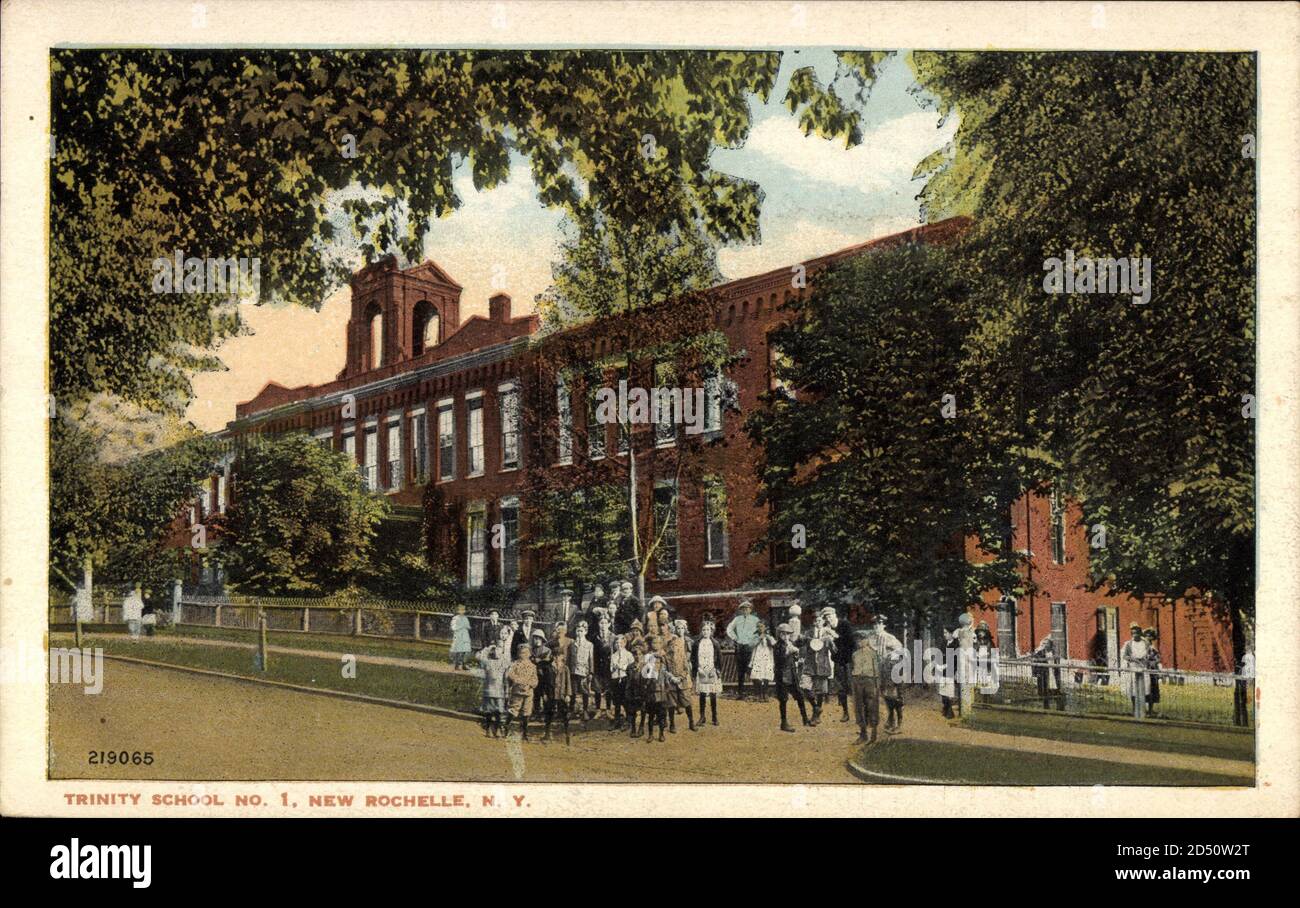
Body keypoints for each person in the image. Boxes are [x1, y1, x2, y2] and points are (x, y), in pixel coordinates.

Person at [774, 622, 810, 732]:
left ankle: (805, 719)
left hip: (792, 674)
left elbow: (794, 658)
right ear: (779, 635)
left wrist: (795, 653)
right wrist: (789, 651)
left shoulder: (789, 644)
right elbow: (780, 660)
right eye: (783, 634)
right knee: (783, 699)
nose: (786, 636)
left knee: (799, 696)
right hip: (782, 676)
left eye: (788, 634)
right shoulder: (777, 646)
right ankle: (784, 723)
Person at [664, 620, 697, 733]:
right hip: (671, 681)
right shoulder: (666, 656)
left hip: (682, 681)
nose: (674, 647)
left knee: (686, 701)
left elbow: (686, 668)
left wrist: (681, 677)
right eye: (671, 645)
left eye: (676, 645)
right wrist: (671, 677)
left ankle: (691, 722)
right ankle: (672, 724)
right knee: (671, 704)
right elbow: (664, 668)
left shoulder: (682, 655)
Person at [850, 628, 882, 744]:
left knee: (872, 705)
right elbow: (853, 668)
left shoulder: (873, 653)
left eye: (862, 639)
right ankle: (863, 733)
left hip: (870, 681)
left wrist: (877, 685)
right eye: (857, 640)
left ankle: (874, 733)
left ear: (867, 640)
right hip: (857, 681)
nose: (859, 642)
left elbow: (877, 670)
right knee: (859, 706)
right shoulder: (855, 654)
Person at [725, 599, 762, 700]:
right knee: (740, 670)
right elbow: (729, 629)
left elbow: (761, 632)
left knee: (751, 669)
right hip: (740, 646)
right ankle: (740, 693)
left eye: (747, 609)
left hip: (750, 647)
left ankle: (758, 692)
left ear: (750, 610)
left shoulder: (755, 619)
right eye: (743, 609)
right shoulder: (737, 619)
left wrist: (754, 641)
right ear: (741, 610)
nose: (745, 610)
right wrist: (735, 638)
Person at [504, 643, 539, 741]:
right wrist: (518, 681)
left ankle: (524, 733)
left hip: (528, 692)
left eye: (526, 653)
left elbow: (535, 679)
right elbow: (510, 675)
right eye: (521, 653)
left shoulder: (532, 666)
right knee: (513, 710)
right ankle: (506, 728)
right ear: (518, 654)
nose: (523, 654)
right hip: (517, 691)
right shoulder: (515, 664)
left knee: (526, 712)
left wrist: (531, 684)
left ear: (529, 654)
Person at [693, 615, 724, 726]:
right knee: (702, 694)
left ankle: (714, 717)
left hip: (712, 670)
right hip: (701, 670)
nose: (706, 632)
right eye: (704, 630)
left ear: (711, 631)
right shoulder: (697, 643)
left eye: (708, 630)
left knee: (712, 694)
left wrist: (716, 670)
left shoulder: (715, 643)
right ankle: (702, 717)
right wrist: (697, 669)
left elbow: (719, 658)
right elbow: (693, 658)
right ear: (701, 631)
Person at [825, 607, 854, 722]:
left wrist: (836, 635)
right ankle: (845, 713)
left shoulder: (845, 624)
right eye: (826, 617)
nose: (828, 619)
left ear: (834, 615)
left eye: (830, 616)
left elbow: (851, 642)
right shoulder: (827, 629)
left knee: (853, 687)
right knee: (841, 688)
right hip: (838, 661)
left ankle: (861, 712)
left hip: (849, 661)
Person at [477, 643, 510, 738]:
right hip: (488, 691)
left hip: (499, 693)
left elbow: (506, 679)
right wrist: (488, 648)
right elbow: (478, 656)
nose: (496, 652)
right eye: (495, 650)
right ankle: (488, 729)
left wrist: (507, 691)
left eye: (499, 649)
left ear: (502, 652)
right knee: (488, 712)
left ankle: (498, 729)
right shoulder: (487, 662)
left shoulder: (504, 663)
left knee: (499, 712)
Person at [1120, 622, 1150, 716]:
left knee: (1144, 689)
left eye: (1136, 633)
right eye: (1133, 633)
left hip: (1143, 667)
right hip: (1133, 667)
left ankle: (1143, 710)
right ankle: (1135, 709)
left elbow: (1149, 654)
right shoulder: (1129, 644)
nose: (1135, 635)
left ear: (1140, 633)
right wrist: (1133, 659)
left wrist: (1145, 659)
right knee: (1133, 689)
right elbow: (1125, 656)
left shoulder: (1145, 643)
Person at [569, 620, 594, 721]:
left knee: (584, 691)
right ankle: (571, 710)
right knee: (573, 691)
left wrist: (591, 672)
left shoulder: (589, 645)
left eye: (581, 631)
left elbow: (591, 659)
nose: (579, 633)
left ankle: (585, 710)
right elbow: (570, 658)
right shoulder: (572, 644)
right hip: (574, 670)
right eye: (578, 631)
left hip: (584, 671)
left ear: (585, 632)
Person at [1031, 635, 1064, 711]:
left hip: (1053, 674)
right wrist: (1036, 674)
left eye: (1048, 644)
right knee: (1045, 692)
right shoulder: (1040, 653)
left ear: (1051, 645)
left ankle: (1059, 709)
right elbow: (1034, 663)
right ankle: (1046, 708)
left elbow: (1057, 664)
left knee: (1056, 691)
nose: (1046, 645)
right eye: (1045, 644)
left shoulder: (1054, 653)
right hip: (1044, 675)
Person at [609, 633, 635, 731]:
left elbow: (631, 668)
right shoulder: (613, 656)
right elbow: (611, 669)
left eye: (621, 643)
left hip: (625, 680)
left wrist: (622, 667)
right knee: (617, 701)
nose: (619, 645)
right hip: (615, 679)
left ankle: (628, 721)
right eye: (617, 643)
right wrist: (613, 668)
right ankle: (617, 721)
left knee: (626, 700)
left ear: (624, 643)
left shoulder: (629, 655)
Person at [592, 614, 615, 720]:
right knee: (597, 689)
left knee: (609, 689)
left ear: (609, 624)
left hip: (609, 667)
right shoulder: (594, 637)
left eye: (605, 623)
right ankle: (598, 710)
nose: (603, 625)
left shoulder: (613, 637)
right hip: (597, 666)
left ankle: (608, 710)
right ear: (598, 624)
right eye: (601, 623)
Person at [748, 621, 776, 702]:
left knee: (766, 676)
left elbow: (774, 645)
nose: (760, 628)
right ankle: (758, 694)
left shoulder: (769, 636)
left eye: (762, 626)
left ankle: (765, 694)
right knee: (757, 676)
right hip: (757, 658)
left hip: (767, 658)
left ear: (765, 627)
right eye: (758, 627)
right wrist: (759, 638)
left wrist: (768, 638)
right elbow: (751, 645)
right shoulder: (755, 636)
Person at [1234, 645, 1255, 727]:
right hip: (1251, 677)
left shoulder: (1244, 657)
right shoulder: (1253, 657)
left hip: (1245, 678)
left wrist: (1238, 668)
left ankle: (1243, 721)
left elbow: (1243, 666)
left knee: (1244, 697)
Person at [1143, 628, 1162, 717]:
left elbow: (1158, 658)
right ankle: (1146, 710)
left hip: (1153, 670)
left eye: (1150, 636)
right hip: (1146, 670)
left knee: (1153, 690)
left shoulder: (1153, 647)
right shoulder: (1143, 647)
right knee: (1147, 689)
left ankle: (1151, 709)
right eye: (1147, 636)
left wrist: (1156, 661)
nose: (1149, 638)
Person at [449, 605, 472, 670]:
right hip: (459, 635)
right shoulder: (455, 618)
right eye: (460, 610)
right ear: (457, 611)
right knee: (459, 650)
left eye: (463, 610)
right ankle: (457, 664)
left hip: (465, 635)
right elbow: (453, 628)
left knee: (466, 650)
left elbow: (468, 626)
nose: (462, 611)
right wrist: (461, 626)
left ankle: (464, 664)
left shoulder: (465, 618)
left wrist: (467, 627)